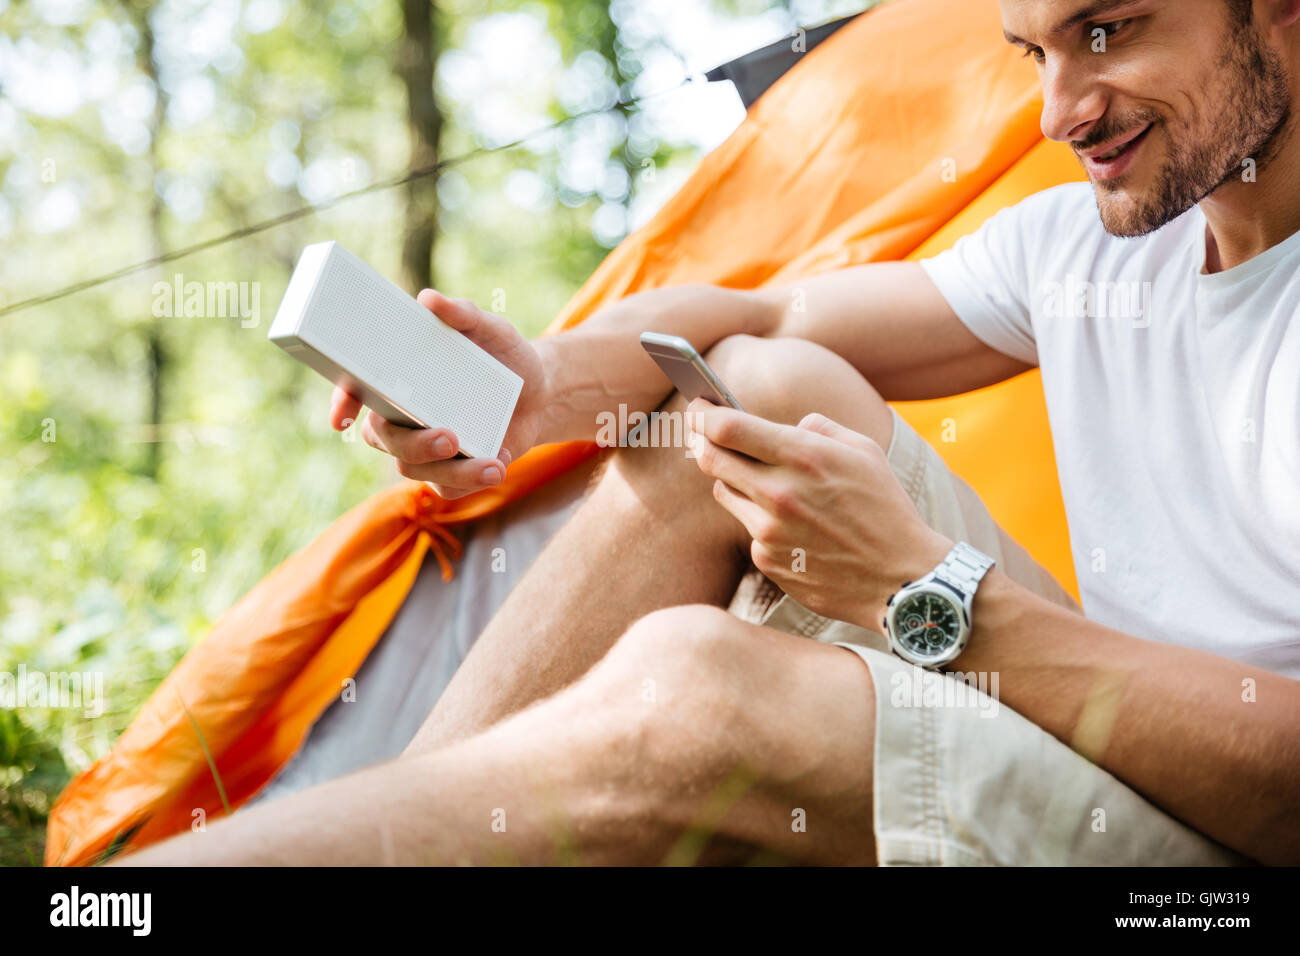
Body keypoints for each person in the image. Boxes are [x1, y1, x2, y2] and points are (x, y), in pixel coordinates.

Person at [123, 0, 1300, 866]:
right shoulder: (1087, 248)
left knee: (698, 690)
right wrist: (540, 383)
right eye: (1033, 54)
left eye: (1109, 32)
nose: (1056, 113)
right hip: (1118, 731)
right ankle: (395, 824)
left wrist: (929, 592)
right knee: (751, 389)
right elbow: (772, 309)